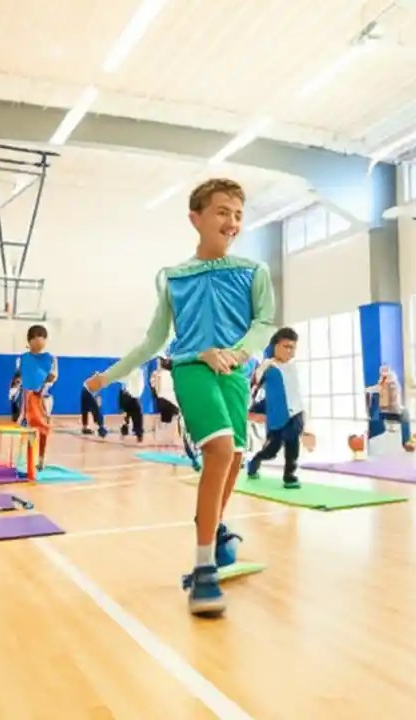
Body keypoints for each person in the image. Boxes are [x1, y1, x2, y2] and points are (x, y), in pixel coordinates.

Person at [86, 177, 275, 618]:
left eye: (238, 215)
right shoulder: (173, 278)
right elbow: (154, 341)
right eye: (222, 211)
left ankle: (212, 524)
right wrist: (107, 377)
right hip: (191, 369)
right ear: (196, 218)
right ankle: (204, 567)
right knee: (220, 449)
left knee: (234, 460)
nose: (232, 222)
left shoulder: (253, 272)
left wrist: (239, 353)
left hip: (234, 373)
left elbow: (265, 322)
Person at [245, 328, 306, 489]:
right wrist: (252, 410)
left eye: (292, 347)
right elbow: (254, 384)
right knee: (272, 450)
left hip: (296, 413)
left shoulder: (294, 365)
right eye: (286, 346)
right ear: (275, 346)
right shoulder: (268, 366)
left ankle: (289, 475)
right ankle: (255, 461)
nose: (289, 351)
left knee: (293, 445)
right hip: (276, 416)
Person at [18, 324, 57, 471]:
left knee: (43, 429)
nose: (38, 341)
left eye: (41, 338)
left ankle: (41, 459)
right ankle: (28, 458)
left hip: (44, 398)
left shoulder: (51, 358)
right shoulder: (23, 359)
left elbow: (53, 378)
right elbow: (19, 378)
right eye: (34, 338)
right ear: (29, 341)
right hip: (28, 398)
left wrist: (44, 387)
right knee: (29, 429)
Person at [118, 368, 146, 442]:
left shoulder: (136, 371)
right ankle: (138, 433)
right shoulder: (136, 372)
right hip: (128, 395)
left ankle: (125, 432)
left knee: (128, 414)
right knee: (136, 413)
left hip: (126, 395)